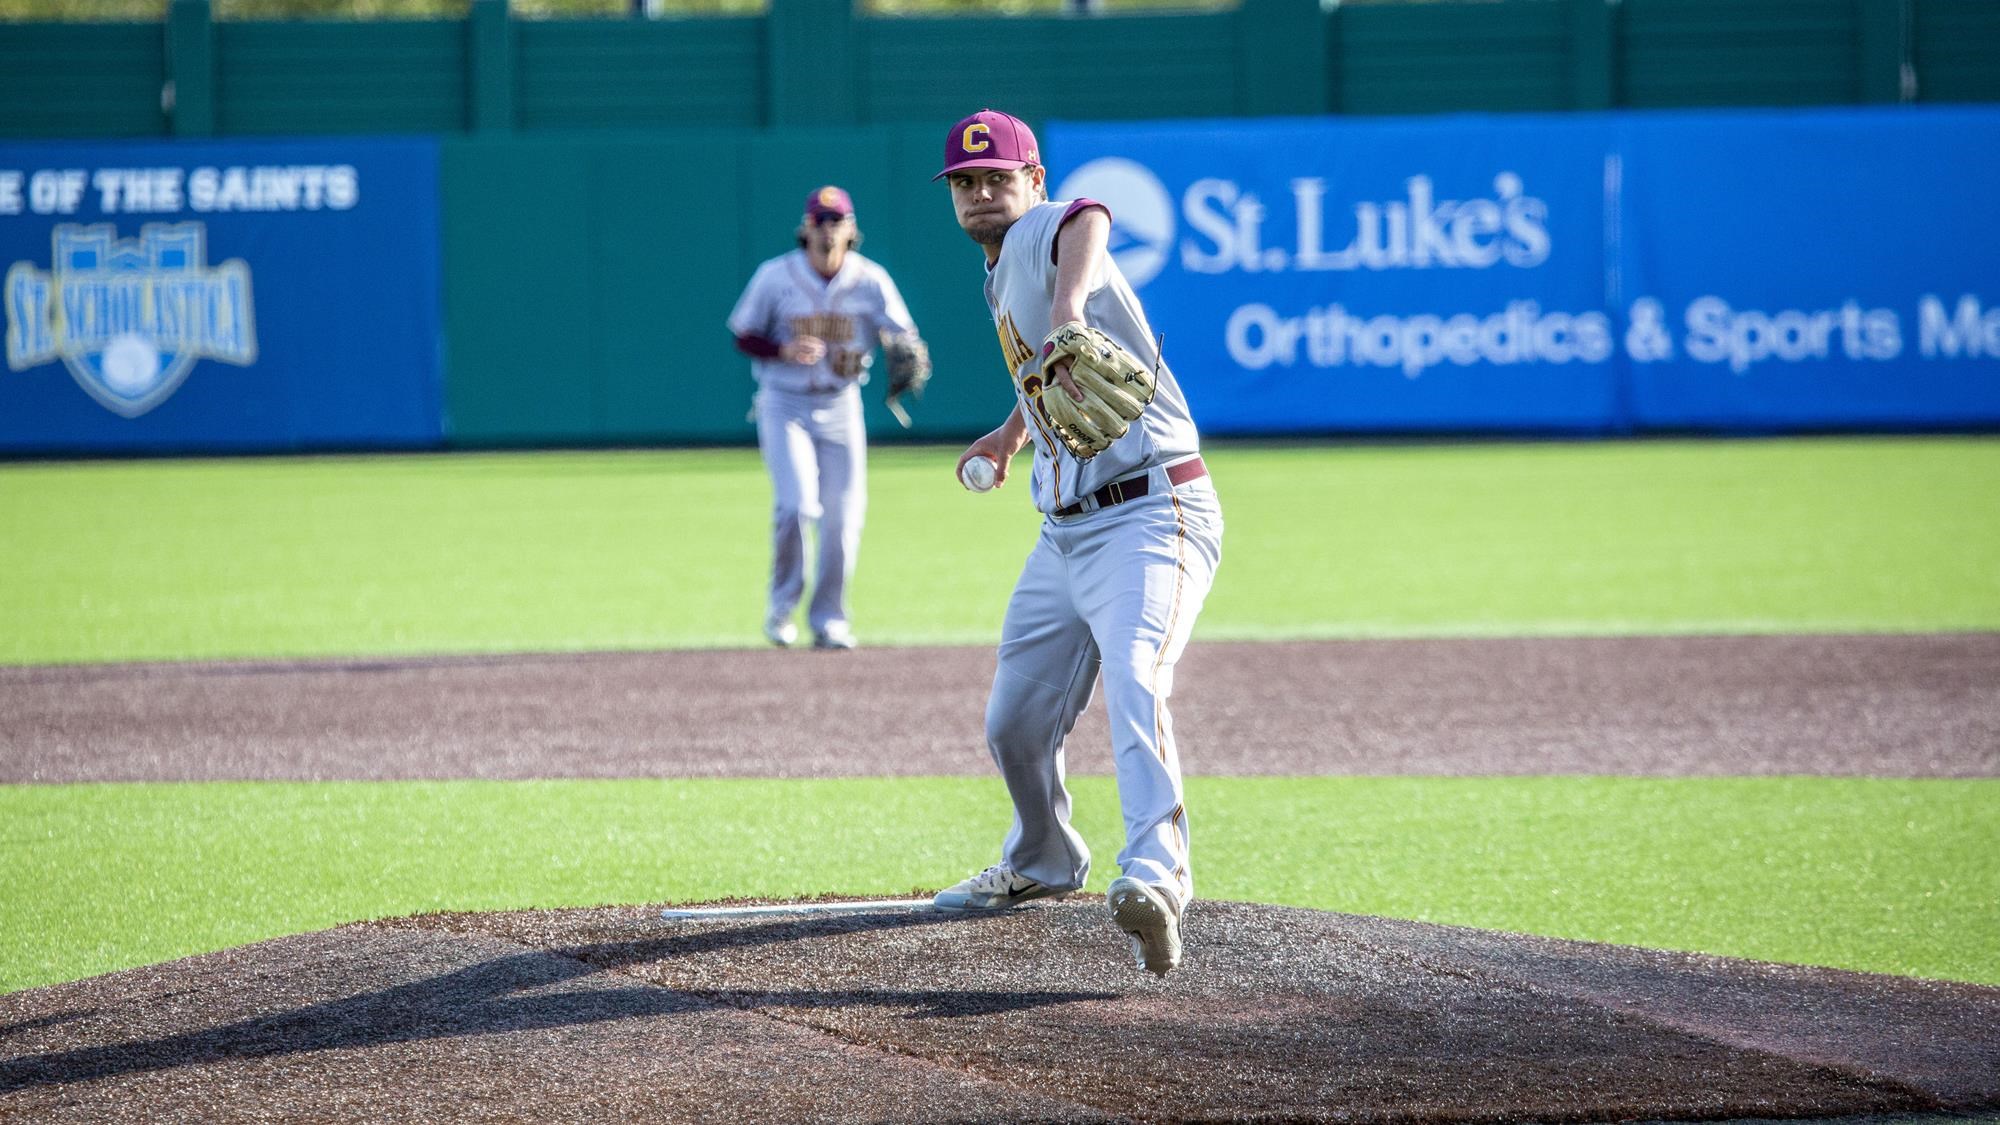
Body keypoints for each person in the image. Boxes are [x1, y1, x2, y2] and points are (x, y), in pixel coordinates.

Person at [928, 110, 1224, 978]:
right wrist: (1012, 431)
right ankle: (1044, 854)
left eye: (999, 178)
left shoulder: (1039, 233)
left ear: (1033, 183)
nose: (983, 193)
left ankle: (1160, 877)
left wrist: (1067, 304)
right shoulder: (997, 271)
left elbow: (1090, 214)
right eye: (965, 183)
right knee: (1014, 722)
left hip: (1152, 511)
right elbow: (1044, 370)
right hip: (1066, 531)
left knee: (1137, 671)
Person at [727, 186, 922, 650]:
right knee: (797, 506)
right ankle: (781, 608)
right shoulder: (776, 276)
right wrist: (782, 349)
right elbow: (742, 333)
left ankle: (830, 619)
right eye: (821, 220)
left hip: (841, 404)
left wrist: (903, 352)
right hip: (784, 402)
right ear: (806, 228)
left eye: (837, 221)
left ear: (852, 229)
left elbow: (904, 334)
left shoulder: (870, 280)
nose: (829, 229)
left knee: (843, 518)